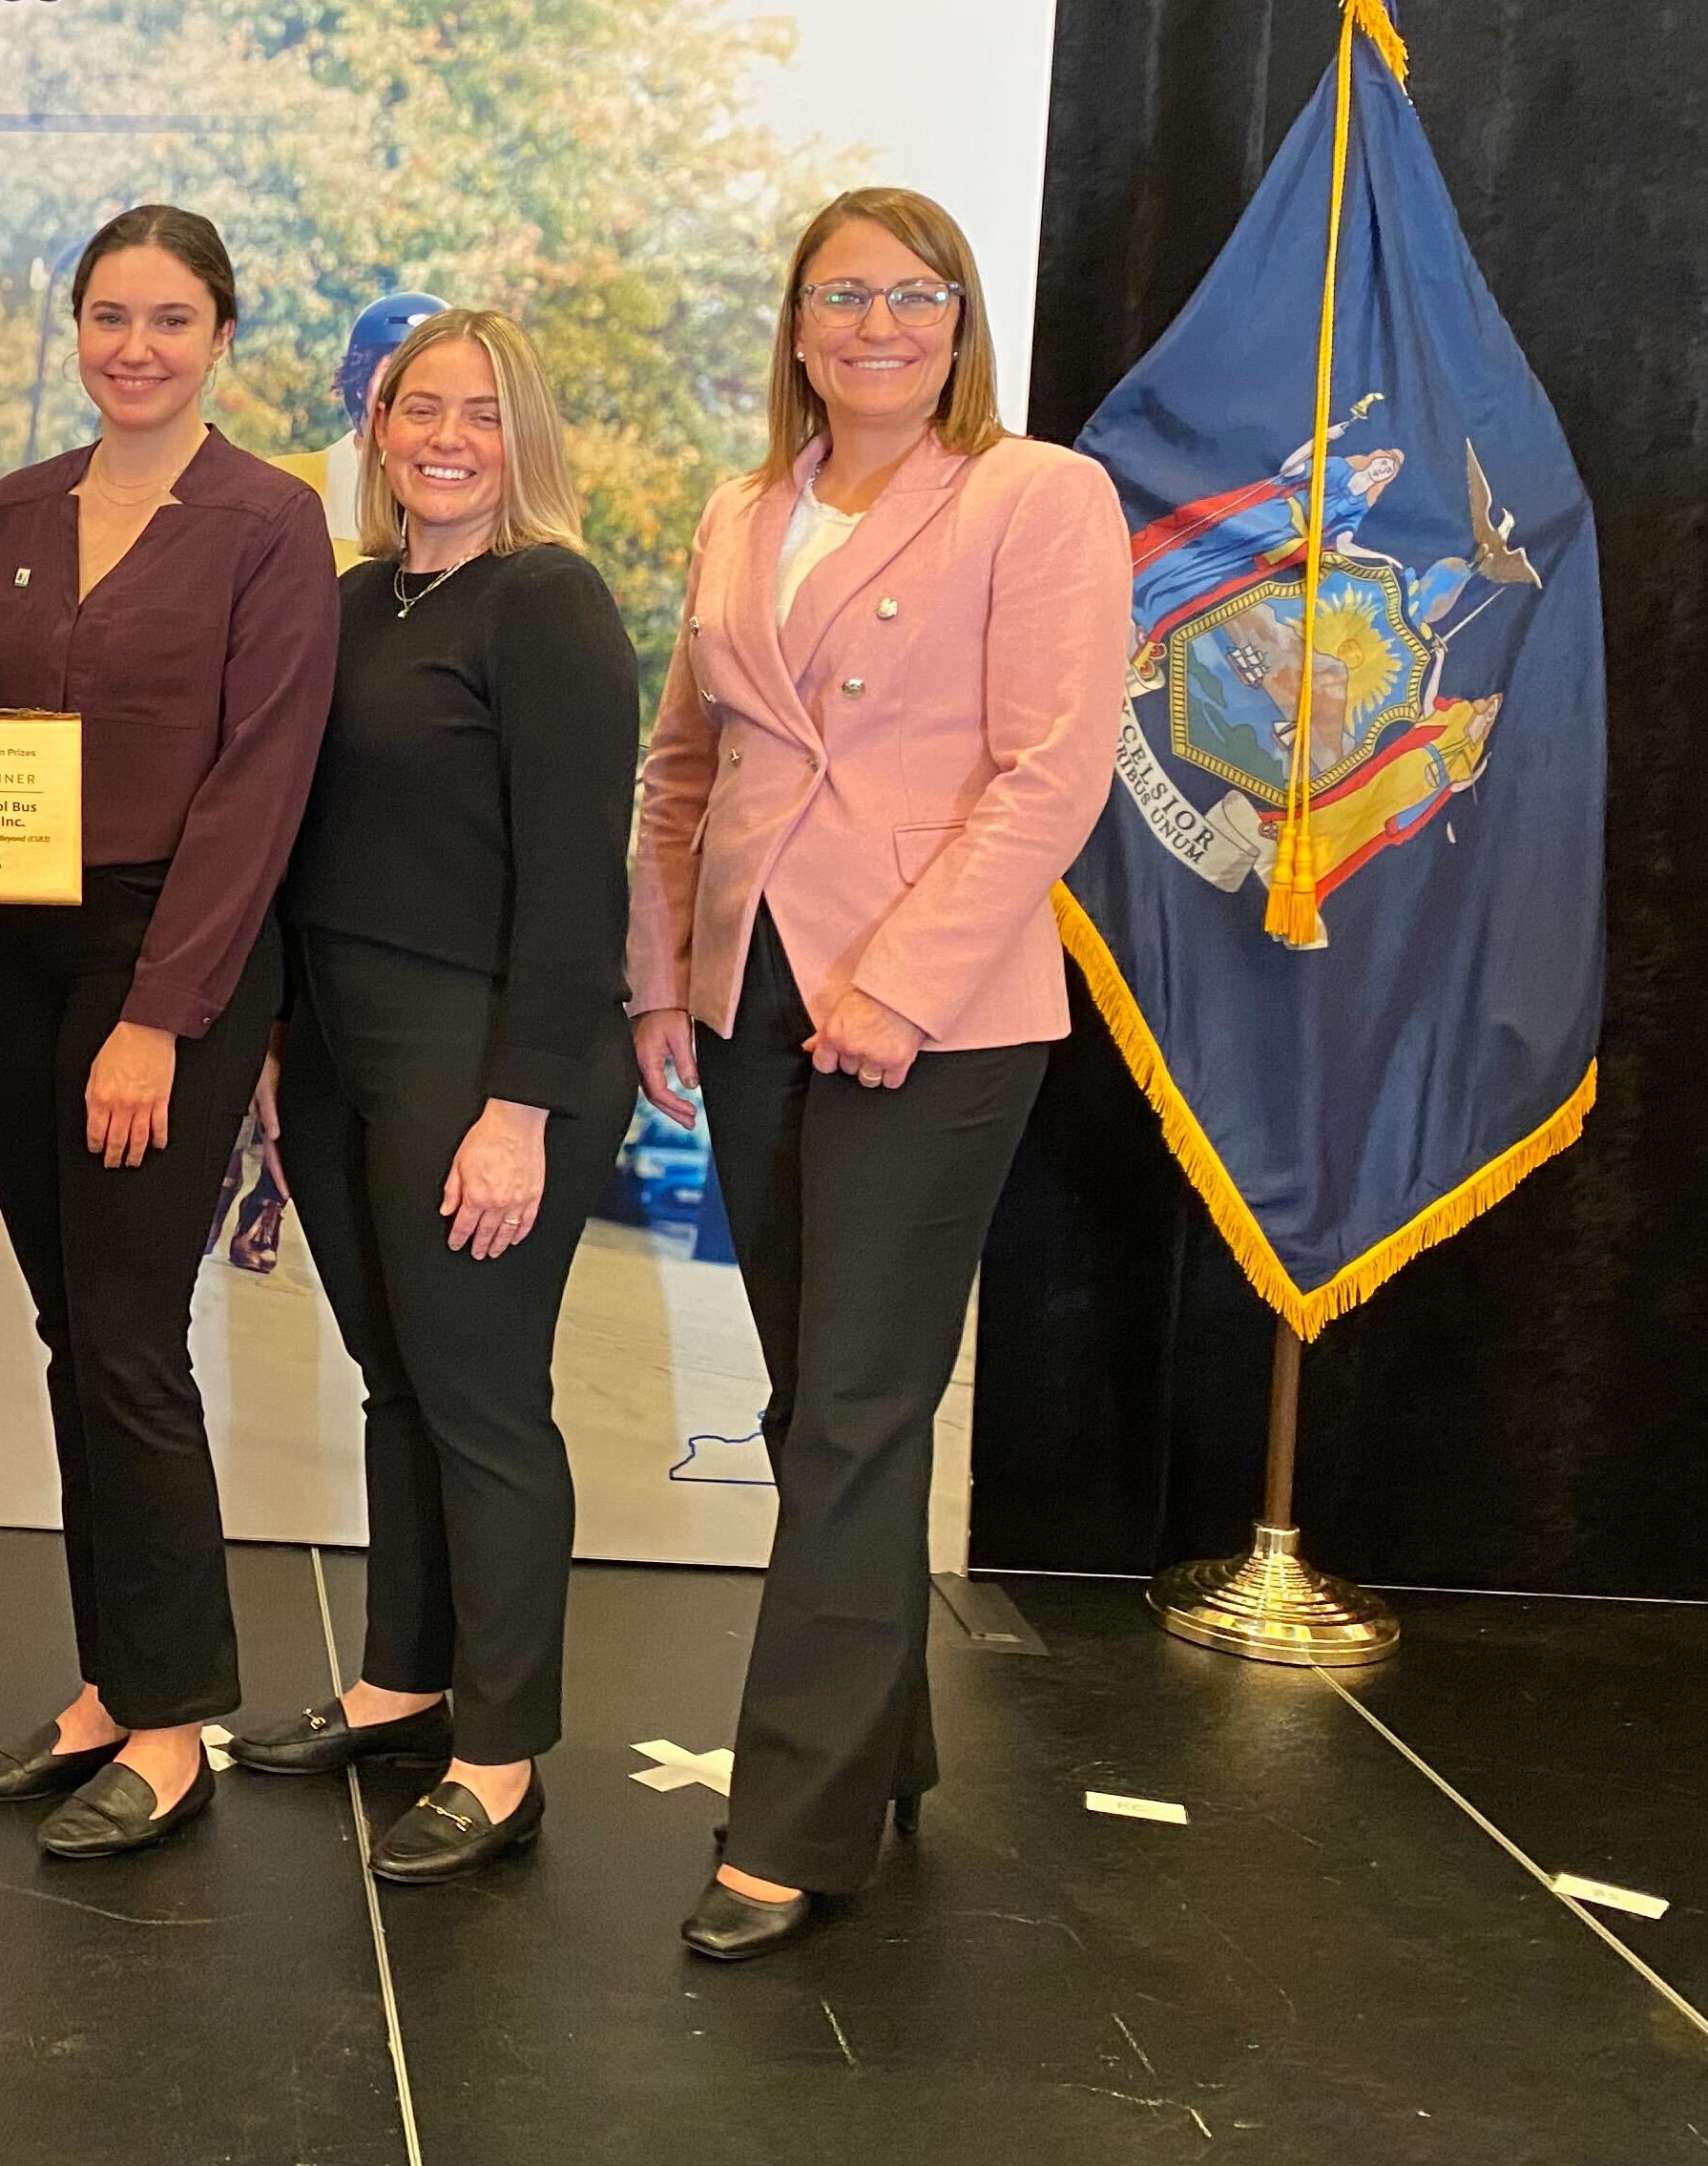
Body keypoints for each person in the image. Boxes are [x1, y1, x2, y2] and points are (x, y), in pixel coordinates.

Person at [627, 189, 1130, 1960]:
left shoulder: (1039, 497)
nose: (878, 323)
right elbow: (680, 767)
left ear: (960, 318)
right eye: (843, 294)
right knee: (807, 1399)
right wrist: (659, 981)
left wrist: (901, 984)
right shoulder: (740, 507)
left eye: (914, 294)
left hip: (939, 1014)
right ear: (797, 325)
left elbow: (1055, 771)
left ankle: (792, 1823)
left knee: (853, 1405)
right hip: (751, 995)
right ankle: (884, 1738)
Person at [217, 310, 638, 1882]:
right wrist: (271, 1050)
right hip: (335, 1040)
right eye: (416, 409)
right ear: (379, 428)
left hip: (481, 1056)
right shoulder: (351, 598)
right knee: (399, 1379)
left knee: (481, 1403)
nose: (442, 438)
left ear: (521, 434)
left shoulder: (551, 601)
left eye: (476, 412)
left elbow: (577, 889)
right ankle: (405, 1681)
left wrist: (521, 1107)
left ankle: (501, 1748)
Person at [0, 206, 337, 1861]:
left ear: (221, 339)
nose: (135, 348)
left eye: (171, 320)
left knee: (126, 1334)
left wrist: (161, 1020)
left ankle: (175, 1722)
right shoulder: (22, 508)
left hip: (169, 960)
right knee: (70, 1334)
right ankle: (109, 1685)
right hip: (15, 955)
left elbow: (260, 788)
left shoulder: (271, 521)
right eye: (109, 316)